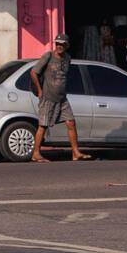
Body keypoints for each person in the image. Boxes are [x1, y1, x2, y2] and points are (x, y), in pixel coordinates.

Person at [30, 33, 91, 162]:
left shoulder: (68, 58)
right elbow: (34, 72)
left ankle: (75, 152)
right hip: (48, 97)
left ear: (67, 45)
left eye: (62, 44)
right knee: (43, 125)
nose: (59, 46)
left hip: (62, 98)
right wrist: (40, 91)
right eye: (57, 44)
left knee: (71, 122)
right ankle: (36, 153)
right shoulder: (48, 56)